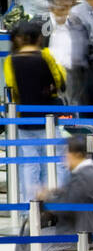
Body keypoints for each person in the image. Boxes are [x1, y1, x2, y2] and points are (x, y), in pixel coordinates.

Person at [2, 19, 66, 204]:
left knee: (30, 163)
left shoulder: (10, 61)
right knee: (55, 160)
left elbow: (11, 87)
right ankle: (55, 201)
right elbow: (60, 80)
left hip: (23, 119)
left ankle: (31, 204)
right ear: (39, 38)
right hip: (48, 117)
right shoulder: (45, 56)